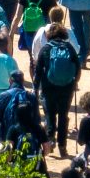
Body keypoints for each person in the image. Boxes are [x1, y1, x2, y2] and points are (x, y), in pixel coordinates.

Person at [33, 20, 83, 153]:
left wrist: (36, 89)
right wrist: (74, 82)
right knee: (63, 115)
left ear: (49, 35)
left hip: (48, 86)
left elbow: (38, 71)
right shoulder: (69, 48)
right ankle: (62, 145)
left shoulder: (46, 48)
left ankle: (51, 140)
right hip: (67, 86)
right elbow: (78, 67)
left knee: (50, 114)